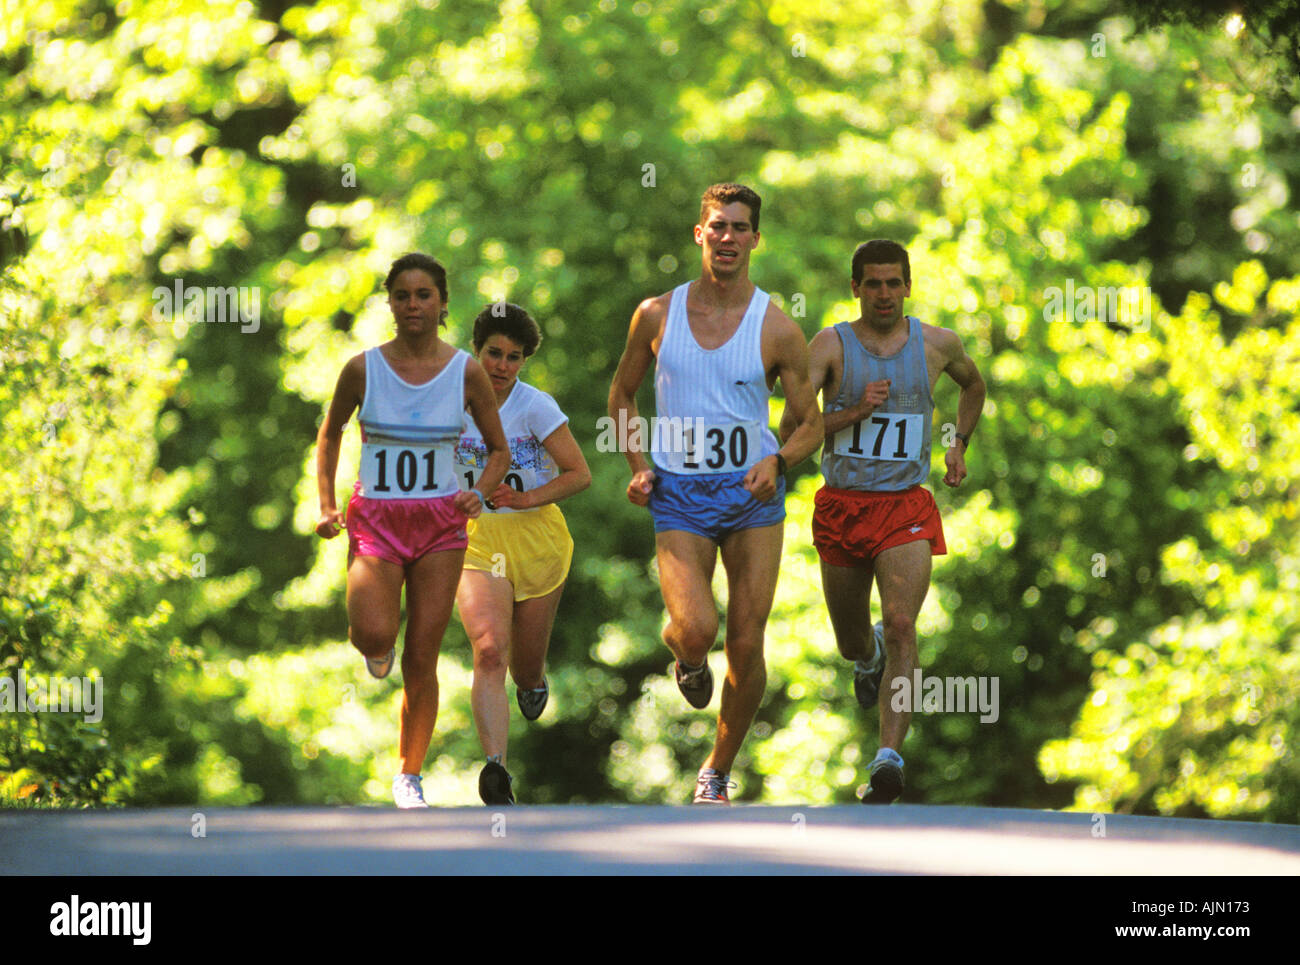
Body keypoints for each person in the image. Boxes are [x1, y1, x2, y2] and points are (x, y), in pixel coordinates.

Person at [608, 183, 823, 804]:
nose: (728, 237)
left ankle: (716, 771)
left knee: (747, 641)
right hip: (678, 493)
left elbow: (809, 422)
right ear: (699, 234)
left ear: (756, 238)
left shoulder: (777, 327)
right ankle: (688, 658)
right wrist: (638, 463)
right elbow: (621, 397)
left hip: (752, 496)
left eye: (740, 227)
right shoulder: (655, 315)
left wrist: (779, 462)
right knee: (695, 626)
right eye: (717, 226)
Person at [782, 239, 986, 804]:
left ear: (908, 286)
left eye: (894, 283)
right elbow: (793, 429)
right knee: (853, 641)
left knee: (901, 624)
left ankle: (887, 760)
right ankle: (864, 657)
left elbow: (975, 386)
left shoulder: (938, 345)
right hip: (843, 506)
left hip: (904, 506)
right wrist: (855, 412)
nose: (884, 294)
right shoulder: (830, 346)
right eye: (872, 283)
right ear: (856, 288)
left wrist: (958, 445)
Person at [315, 253, 510, 809]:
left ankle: (409, 775)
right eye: (402, 295)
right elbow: (330, 435)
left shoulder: (466, 371)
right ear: (391, 304)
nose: (413, 305)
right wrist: (328, 505)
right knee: (374, 635)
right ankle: (376, 650)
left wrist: (481, 491)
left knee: (422, 655)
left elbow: (498, 450)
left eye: (424, 295)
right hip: (375, 519)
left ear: (442, 303)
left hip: (440, 523)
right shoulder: (362, 369)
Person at [454, 302, 591, 805]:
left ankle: (533, 681)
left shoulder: (535, 407)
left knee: (524, 667)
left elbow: (579, 473)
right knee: (489, 649)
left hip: (536, 540)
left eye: (513, 358)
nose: (501, 367)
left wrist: (527, 496)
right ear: (477, 350)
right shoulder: (447, 401)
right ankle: (496, 770)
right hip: (475, 540)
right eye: (494, 353)